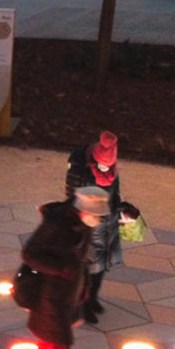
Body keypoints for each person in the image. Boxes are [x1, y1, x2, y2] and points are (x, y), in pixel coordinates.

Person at [19, 186, 109, 349]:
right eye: (95, 213)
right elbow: (29, 254)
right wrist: (59, 269)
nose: (97, 218)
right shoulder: (56, 224)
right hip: (50, 294)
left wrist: (85, 285)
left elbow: (82, 257)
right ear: (82, 209)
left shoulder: (84, 224)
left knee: (52, 339)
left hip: (71, 291)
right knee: (61, 345)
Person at [64, 130, 137, 325]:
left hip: (108, 224)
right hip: (87, 225)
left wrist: (122, 211)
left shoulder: (112, 170)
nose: (105, 169)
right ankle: (84, 305)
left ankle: (93, 299)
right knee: (88, 268)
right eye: (102, 165)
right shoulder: (80, 167)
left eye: (109, 166)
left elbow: (116, 194)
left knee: (102, 266)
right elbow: (71, 196)